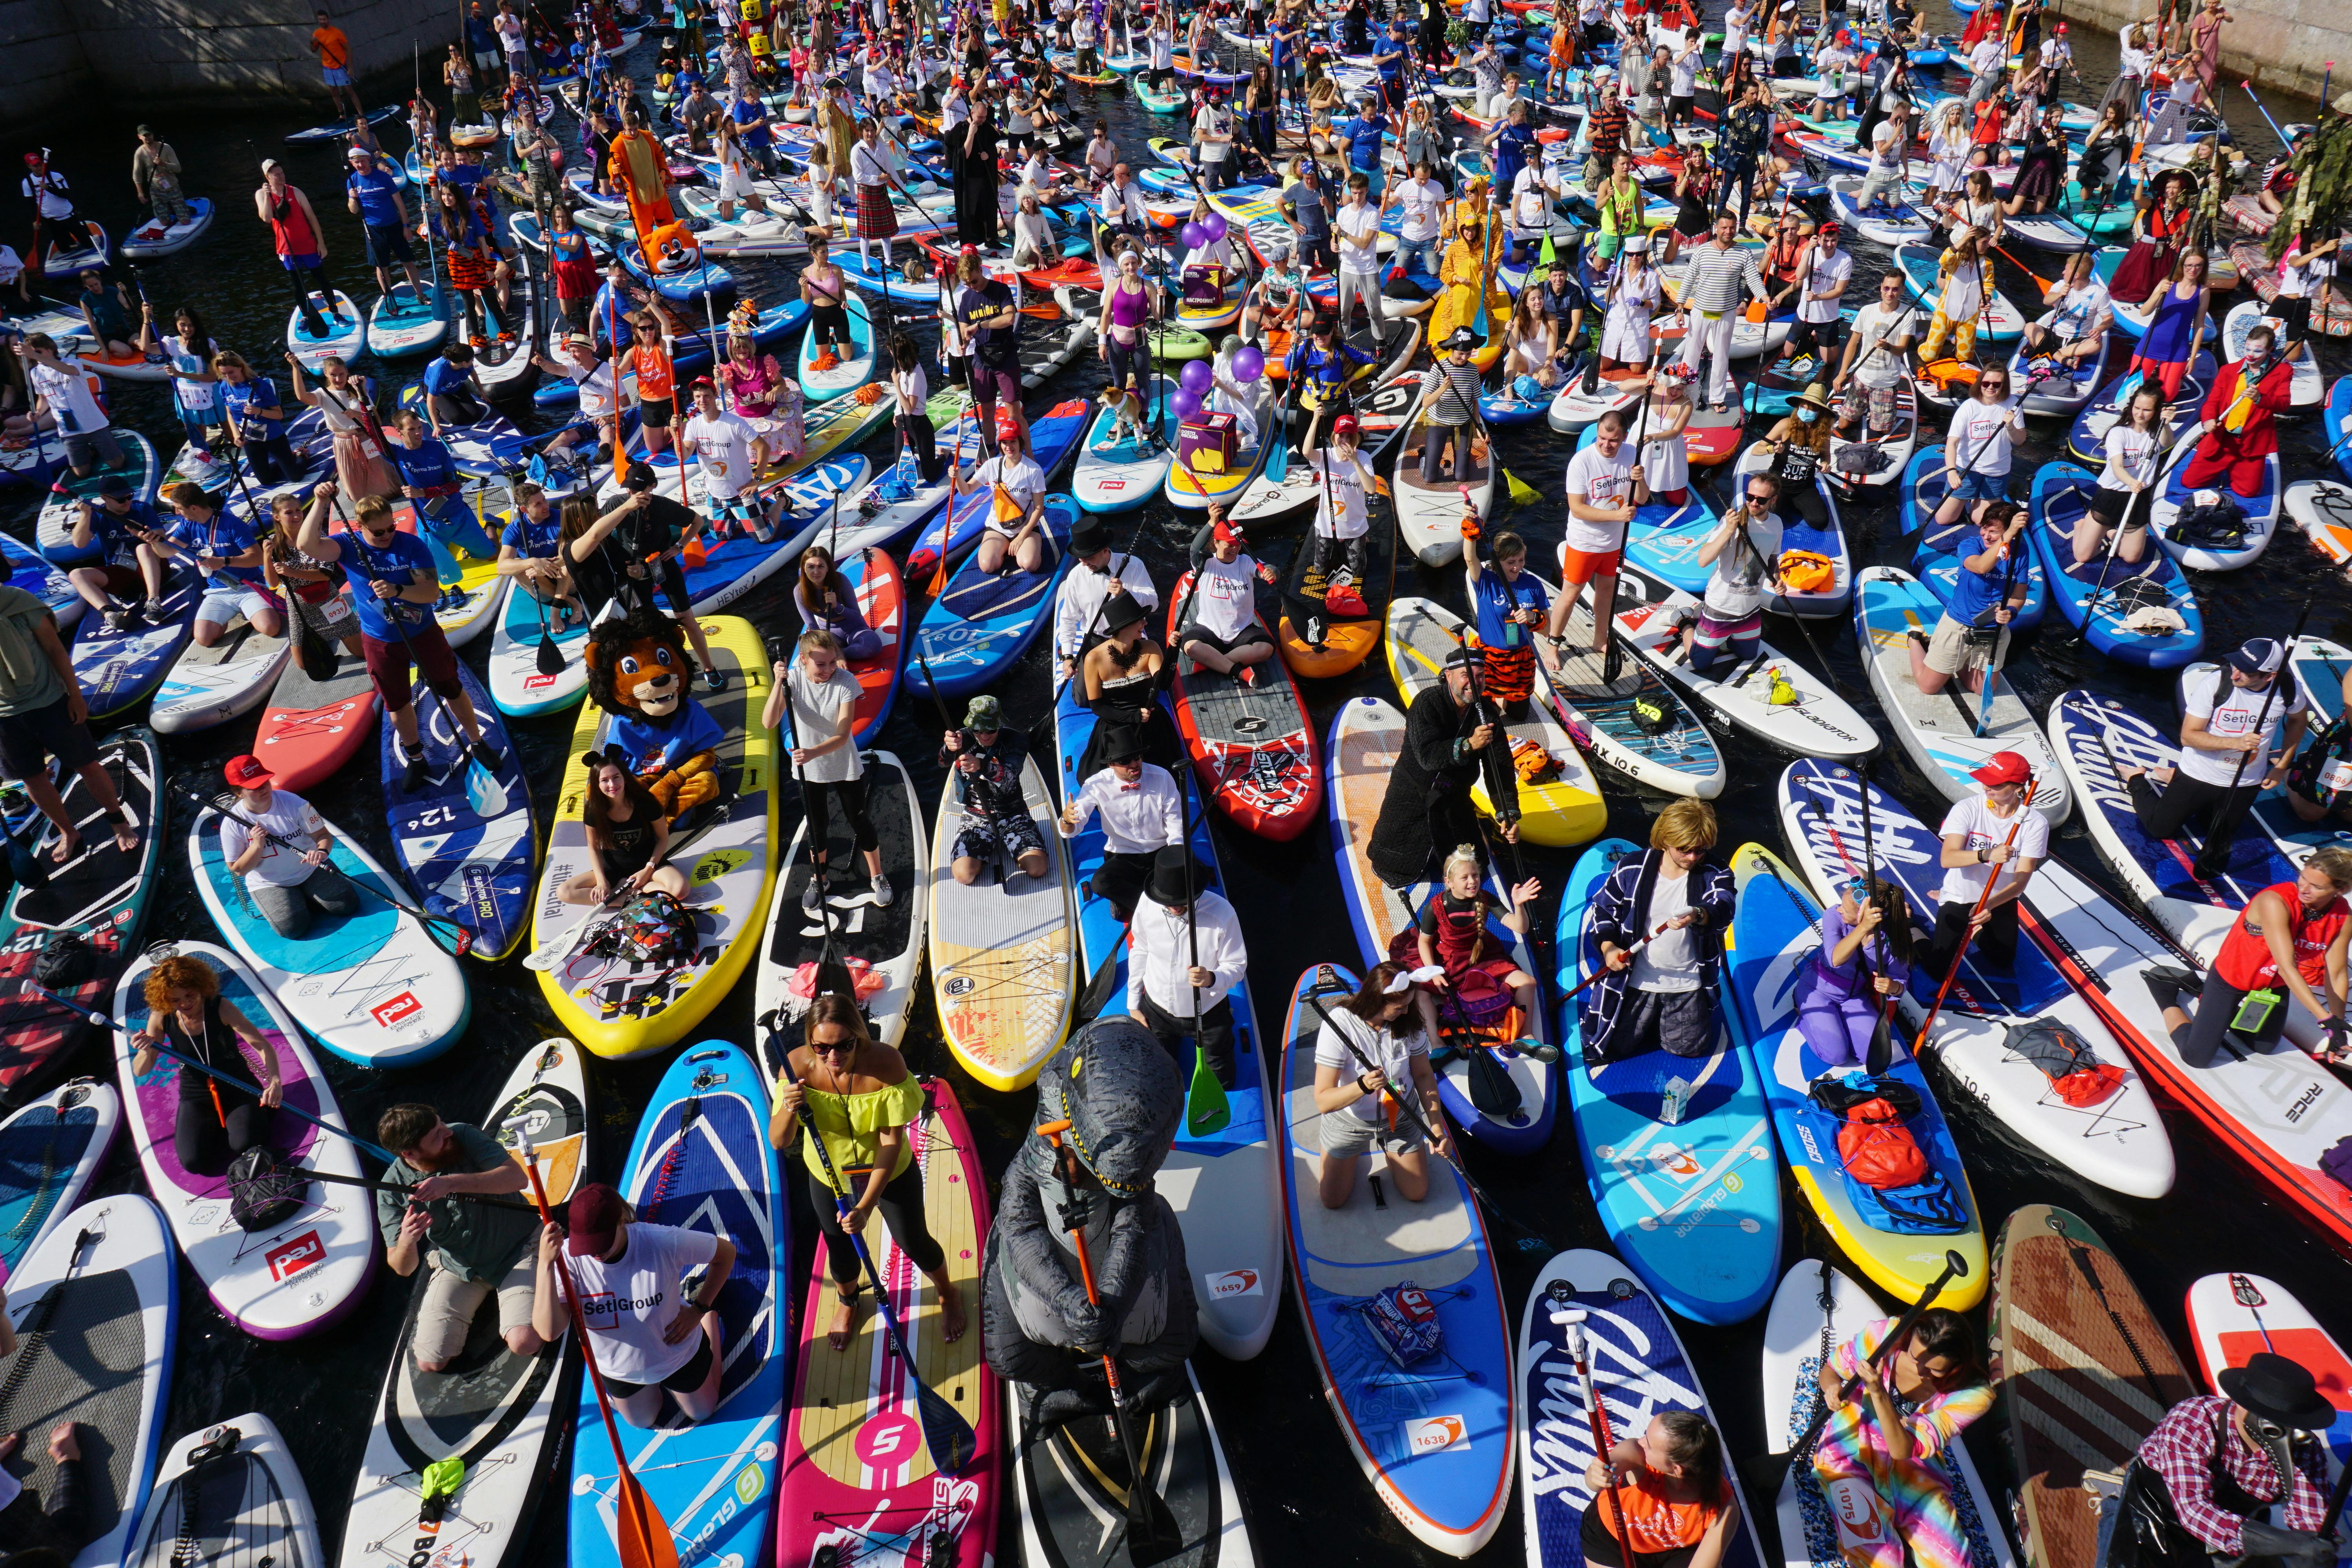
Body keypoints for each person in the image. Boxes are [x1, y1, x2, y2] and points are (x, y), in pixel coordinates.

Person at [769, 992, 965, 1351]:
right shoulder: (796, 1067)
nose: (833, 1057)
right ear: (810, 1041)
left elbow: (890, 1142)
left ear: (859, 1037)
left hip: (889, 1172)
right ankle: (848, 1302)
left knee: (913, 1241)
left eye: (844, 1045)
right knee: (839, 1248)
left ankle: (947, 1292)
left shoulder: (886, 1064)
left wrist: (866, 1206)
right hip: (828, 1176)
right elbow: (780, 1142)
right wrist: (788, 1107)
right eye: (822, 1047)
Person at [295, 487, 502, 790]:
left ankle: (476, 741)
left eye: (391, 527)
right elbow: (306, 544)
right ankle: (417, 758)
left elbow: (431, 593)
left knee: (450, 687)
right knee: (396, 703)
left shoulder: (412, 546)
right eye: (378, 532)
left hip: (421, 633)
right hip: (380, 641)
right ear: (361, 528)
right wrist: (322, 502)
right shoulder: (347, 546)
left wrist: (398, 591)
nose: (387, 535)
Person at [531, 1181, 737, 1427]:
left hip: (677, 1353)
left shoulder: (661, 1241)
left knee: (703, 1412)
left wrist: (699, 1309)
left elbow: (726, 1253)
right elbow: (549, 1332)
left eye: (602, 1242)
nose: (596, 1253)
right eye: (587, 1245)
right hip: (620, 1370)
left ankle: (708, 1318)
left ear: (621, 1221)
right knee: (643, 1422)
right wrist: (545, 1265)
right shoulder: (566, 1259)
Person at [1809, 1308, 1993, 1568]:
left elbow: (1902, 1450)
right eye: (1914, 1356)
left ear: (1957, 1368)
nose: (1919, 1371)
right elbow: (1831, 1370)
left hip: (1913, 1475)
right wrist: (1833, 1389)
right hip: (1848, 1460)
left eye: (1933, 1371)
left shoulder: (1974, 1395)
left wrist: (1878, 1392)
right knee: (1878, 1562)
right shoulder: (1884, 1335)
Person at [2143, 848, 2352, 1073]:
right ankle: (2165, 992)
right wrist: (2325, 1019)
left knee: (2264, 1047)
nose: (2304, 889)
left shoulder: (2344, 916)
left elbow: (2337, 973)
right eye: (2302, 878)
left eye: (2317, 887)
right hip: (2232, 980)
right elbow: (2286, 965)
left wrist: (2337, 1024)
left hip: (2274, 987)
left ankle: (2204, 995)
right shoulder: (2274, 902)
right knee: (2197, 1058)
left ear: (2341, 890)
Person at [375, 1103, 546, 1373]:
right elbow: (402, 1267)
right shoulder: (390, 1190)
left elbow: (516, 1179)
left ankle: (555, 1288)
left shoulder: (464, 1135)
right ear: (409, 1154)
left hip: (517, 1249)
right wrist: (408, 1240)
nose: (447, 1133)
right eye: (436, 1137)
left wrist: (452, 1183)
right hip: (460, 1267)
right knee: (430, 1362)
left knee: (524, 1343)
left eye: (441, 1125)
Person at [0, 575, 138, 860]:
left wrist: (75, 696)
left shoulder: (19, 603)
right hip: (5, 717)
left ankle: (118, 820)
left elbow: (55, 650)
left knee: (86, 764)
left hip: (49, 701)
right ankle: (68, 831)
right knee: (32, 779)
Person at [1584, 800, 1733, 1063]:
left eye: (1700, 851)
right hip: (1635, 980)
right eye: (1684, 850)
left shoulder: (1716, 871)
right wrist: (1608, 947)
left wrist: (1699, 914)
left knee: (1689, 1050)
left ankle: (1663, 1021)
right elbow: (1602, 911)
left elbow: (1723, 907)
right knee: (1612, 1048)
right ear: (1665, 839)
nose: (1693, 858)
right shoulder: (1632, 867)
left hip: (1687, 983)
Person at [1367, 646, 1521, 888]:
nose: (1474, 682)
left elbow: (1499, 768)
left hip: (1455, 798)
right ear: (1449, 676)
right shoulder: (1426, 703)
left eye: (1480, 675)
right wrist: (1469, 744)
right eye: (1466, 676)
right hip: (1412, 794)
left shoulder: (1488, 717)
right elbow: (1427, 756)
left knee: (1473, 860)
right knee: (1393, 862)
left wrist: (1507, 812)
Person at [766, 629, 893, 911]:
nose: (828, 670)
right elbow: (769, 722)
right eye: (821, 664)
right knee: (817, 826)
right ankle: (819, 878)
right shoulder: (793, 680)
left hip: (842, 763)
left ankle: (878, 876)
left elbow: (843, 732)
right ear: (803, 661)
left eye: (832, 662)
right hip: (808, 771)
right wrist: (778, 684)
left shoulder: (845, 681)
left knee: (858, 820)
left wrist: (811, 753)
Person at [1312, 960, 1453, 1206]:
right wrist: (1362, 1086)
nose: (1406, 1013)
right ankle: (1351, 1152)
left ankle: (1391, 1149)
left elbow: (1422, 1075)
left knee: (1416, 1193)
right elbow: (1323, 1101)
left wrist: (1436, 1126)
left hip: (1401, 1115)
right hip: (1350, 1123)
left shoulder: (1408, 1022)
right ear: (1377, 1001)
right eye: (1400, 1007)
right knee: (1332, 1201)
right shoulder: (1338, 1024)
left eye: (1409, 1005)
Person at [576, 465, 723, 681]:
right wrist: (627, 510)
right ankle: (653, 669)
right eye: (630, 489)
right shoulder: (616, 504)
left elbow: (697, 522)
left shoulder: (662, 506)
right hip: (634, 569)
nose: (633, 494)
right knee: (644, 624)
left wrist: (679, 547)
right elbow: (601, 534)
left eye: (639, 490)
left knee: (686, 617)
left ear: (652, 487)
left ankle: (709, 668)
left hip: (661, 563)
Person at [1918, 750, 2046, 987]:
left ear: (2018, 787)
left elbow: (2021, 880)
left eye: (1995, 784)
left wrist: (1988, 905)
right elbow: (1947, 859)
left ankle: (1974, 929)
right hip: (1961, 895)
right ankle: (1913, 928)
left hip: (1998, 898)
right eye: (1985, 779)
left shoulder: (2035, 824)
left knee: (2002, 960)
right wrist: (1987, 854)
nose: (1986, 787)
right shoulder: (1967, 809)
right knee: (1938, 970)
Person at [1125, 846, 1247, 1089]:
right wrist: (1133, 1003)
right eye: (1167, 901)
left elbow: (1237, 965)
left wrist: (1212, 977)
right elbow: (1141, 949)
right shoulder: (1146, 904)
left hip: (1208, 1014)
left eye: (1180, 901)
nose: (1173, 907)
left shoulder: (1223, 914)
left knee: (1224, 1083)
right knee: (1156, 1079)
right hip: (1157, 1010)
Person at [216, 752, 363, 940]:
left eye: (265, 782)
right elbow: (238, 870)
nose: (263, 789)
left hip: (311, 870)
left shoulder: (293, 802)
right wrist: (257, 846)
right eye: (254, 787)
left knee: (347, 905)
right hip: (271, 883)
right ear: (238, 792)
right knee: (292, 929)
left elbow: (323, 836)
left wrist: (321, 852)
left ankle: (308, 897)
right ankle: (300, 902)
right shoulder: (232, 824)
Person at [1058, 720, 1182, 922]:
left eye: (1137, 757)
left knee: (1191, 871)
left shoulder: (1162, 776)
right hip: (1123, 856)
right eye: (1125, 761)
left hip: (1162, 852)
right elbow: (1072, 826)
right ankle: (1155, 909)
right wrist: (1067, 820)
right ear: (1111, 764)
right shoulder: (1096, 784)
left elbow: (1174, 818)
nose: (1134, 764)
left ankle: (1135, 902)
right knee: (1101, 883)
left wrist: (1177, 856)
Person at [1580, 1412, 1740, 1568]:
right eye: (1646, 1435)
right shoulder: (1636, 1452)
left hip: (1676, 1551)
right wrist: (1597, 1475)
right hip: (1614, 1540)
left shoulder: (1723, 1509)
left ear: (1676, 1469)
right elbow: (1594, 1483)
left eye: (1649, 1445)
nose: (1641, 1442)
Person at [1551, 408, 1646, 658]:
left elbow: (1642, 498)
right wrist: (1617, 516)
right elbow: (1578, 508)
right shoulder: (1581, 462)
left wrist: (1641, 478)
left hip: (1614, 542)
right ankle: (1553, 645)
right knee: (1571, 594)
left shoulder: (1631, 454)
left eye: (1614, 440)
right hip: (1585, 542)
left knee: (1607, 591)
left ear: (1624, 437)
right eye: (1602, 438)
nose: (1607, 445)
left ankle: (1600, 639)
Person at [1909, 501, 2027, 698]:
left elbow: (2019, 595)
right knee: (1928, 687)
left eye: (1994, 532)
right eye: (1984, 529)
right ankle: (1915, 641)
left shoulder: (2021, 552)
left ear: (2011, 533)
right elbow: (1981, 567)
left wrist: (2011, 612)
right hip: (1959, 625)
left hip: (1991, 630)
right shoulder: (1969, 545)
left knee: (1982, 691)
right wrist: (2004, 539)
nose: (1986, 536)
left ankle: (1959, 662)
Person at [1793, 874, 1913, 1067]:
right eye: (1842, 904)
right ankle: (1804, 1015)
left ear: (1867, 914)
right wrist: (1863, 928)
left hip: (1855, 996)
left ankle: (1836, 1023)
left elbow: (1901, 981)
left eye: (1846, 910)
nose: (1839, 909)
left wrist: (1893, 988)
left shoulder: (1891, 939)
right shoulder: (1834, 916)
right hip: (1817, 990)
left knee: (1869, 1057)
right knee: (1835, 1056)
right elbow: (1835, 960)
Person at [156, 483, 287, 649]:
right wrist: (153, 542)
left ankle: (257, 611)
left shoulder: (231, 524)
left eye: (179, 508)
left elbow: (258, 558)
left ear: (194, 508)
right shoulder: (187, 525)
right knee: (204, 639)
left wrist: (224, 562)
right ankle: (223, 620)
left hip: (247, 588)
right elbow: (166, 552)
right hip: (218, 592)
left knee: (271, 628)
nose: (177, 513)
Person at [555, 749, 691, 906]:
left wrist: (649, 870)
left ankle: (627, 891)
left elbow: (662, 837)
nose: (612, 785)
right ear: (597, 784)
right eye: (605, 780)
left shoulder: (646, 802)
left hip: (646, 862)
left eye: (616, 777)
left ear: (625, 778)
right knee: (565, 892)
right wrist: (602, 882)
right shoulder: (593, 810)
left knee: (680, 890)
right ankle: (635, 897)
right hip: (613, 868)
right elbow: (593, 848)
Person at [940, 694, 1047, 885]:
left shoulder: (1017, 740)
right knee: (964, 876)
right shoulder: (962, 737)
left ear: (1000, 724)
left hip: (1013, 814)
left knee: (1037, 869)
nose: (985, 736)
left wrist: (982, 766)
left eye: (991, 729)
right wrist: (949, 749)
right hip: (976, 817)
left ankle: (1016, 848)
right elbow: (942, 762)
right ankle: (984, 852)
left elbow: (1010, 777)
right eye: (978, 731)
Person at [2182, 326, 2292, 498]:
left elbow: (2284, 404)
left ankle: (2238, 470)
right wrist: (2209, 420)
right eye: (2247, 348)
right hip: (2222, 440)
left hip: (2251, 442)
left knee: (2248, 492)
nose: (2250, 354)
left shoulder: (2282, 371)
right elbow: (2213, 402)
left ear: (2270, 350)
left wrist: (2259, 398)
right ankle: (2221, 468)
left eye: (2258, 350)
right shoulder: (2228, 371)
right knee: (2190, 482)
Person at [1675, 214, 1769, 408]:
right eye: (1724, 228)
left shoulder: (1744, 253)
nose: (1728, 232)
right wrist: (1679, 307)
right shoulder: (1702, 252)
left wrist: (1766, 298)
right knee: (1691, 354)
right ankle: (1684, 392)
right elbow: (1688, 280)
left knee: (1721, 356)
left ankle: (1717, 398)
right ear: (1716, 228)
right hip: (1701, 311)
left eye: (1732, 228)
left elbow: (1753, 280)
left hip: (1726, 313)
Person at [1053, 515, 1159, 681]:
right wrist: (1067, 656)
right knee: (1083, 698)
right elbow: (1068, 618)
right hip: (1096, 641)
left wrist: (1126, 595)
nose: (1084, 563)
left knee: (1143, 687)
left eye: (1090, 557)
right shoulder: (1076, 577)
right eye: (1081, 557)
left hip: (1131, 637)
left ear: (1105, 550)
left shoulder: (1135, 565)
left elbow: (1153, 604)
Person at [1175, 513, 1279, 680]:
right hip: (1210, 629)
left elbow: (1268, 568)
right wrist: (1211, 522)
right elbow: (1195, 548)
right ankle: (1238, 671)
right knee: (1189, 646)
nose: (1235, 549)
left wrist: (1272, 572)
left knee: (1266, 649)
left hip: (1241, 630)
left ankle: (1210, 663)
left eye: (1237, 545)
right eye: (1229, 545)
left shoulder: (1245, 561)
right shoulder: (1206, 563)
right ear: (1216, 543)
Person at [2074, 383, 2165, 566]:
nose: (2140, 414)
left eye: (2147, 410)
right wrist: (2131, 482)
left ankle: (2111, 532)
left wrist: (2166, 423)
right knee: (2083, 557)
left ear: (2156, 411)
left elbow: (2168, 441)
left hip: (2138, 498)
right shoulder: (2118, 433)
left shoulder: (2156, 434)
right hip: (2111, 495)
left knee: (2131, 557)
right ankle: (2081, 526)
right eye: (2137, 408)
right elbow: (2117, 467)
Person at [678, 377, 776, 543]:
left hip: (742, 492)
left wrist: (757, 480)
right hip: (716, 494)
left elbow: (763, 448)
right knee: (720, 538)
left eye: (707, 396)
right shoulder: (693, 425)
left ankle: (780, 500)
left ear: (715, 396)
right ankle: (748, 517)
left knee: (765, 538)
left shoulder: (735, 423)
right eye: (698, 397)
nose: (703, 401)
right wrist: (677, 434)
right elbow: (684, 456)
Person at [11, 335, 122, 479]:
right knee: (81, 473)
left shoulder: (72, 363)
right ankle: (90, 452)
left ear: (50, 349)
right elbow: (43, 397)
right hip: (67, 428)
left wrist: (32, 354)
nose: (36, 357)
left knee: (117, 465)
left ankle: (111, 451)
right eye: (33, 354)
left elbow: (68, 371)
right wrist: (38, 412)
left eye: (39, 352)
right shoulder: (35, 373)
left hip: (93, 423)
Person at [1465, 528, 1548, 717]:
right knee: (1484, 716)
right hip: (1490, 660)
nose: (1517, 567)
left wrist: (1532, 617)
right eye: (1511, 562)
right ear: (1496, 562)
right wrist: (1469, 530)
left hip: (1521, 661)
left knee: (1518, 716)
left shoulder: (1533, 584)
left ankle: (1502, 699)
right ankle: (1492, 699)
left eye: (1521, 560)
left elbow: (1547, 629)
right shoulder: (1486, 581)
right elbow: (1470, 559)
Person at [255, 160, 342, 341]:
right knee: (298, 285)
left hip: (308, 246)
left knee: (322, 280)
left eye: (282, 173)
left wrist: (321, 243)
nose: (281, 176)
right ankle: (305, 316)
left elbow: (311, 217)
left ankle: (335, 312)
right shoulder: (262, 195)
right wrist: (266, 196)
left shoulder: (296, 192)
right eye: (276, 174)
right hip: (287, 249)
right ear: (268, 177)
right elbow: (266, 218)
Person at [1931, 367, 2025, 527]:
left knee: (1981, 521)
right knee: (1943, 519)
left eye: (1997, 384)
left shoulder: (2013, 404)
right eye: (1986, 383)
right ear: (1980, 383)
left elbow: (2019, 441)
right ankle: (1970, 496)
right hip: (1967, 470)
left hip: (1996, 472)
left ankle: (1977, 498)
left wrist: (2010, 426)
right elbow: (1952, 443)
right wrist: (1952, 471)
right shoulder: (1969, 407)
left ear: (2004, 385)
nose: (1991, 388)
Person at [2127, 249, 2211, 403]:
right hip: (2150, 344)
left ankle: (2176, 380)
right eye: (2189, 265)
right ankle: (2156, 375)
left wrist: (2192, 358)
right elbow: (2144, 312)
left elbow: (2199, 325)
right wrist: (2159, 292)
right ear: (2182, 265)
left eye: (2198, 266)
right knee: (2135, 392)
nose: (2193, 270)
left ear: (2203, 267)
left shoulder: (2203, 292)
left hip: (2177, 349)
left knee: (2167, 396)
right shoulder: (2167, 284)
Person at [496, 480, 583, 622]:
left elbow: (569, 553)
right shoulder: (515, 530)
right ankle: (572, 602)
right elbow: (501, 567)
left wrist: (545, 568)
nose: (546, 506)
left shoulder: (560, 517)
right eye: (538, 504)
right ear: (525, 510)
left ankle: (556, 608)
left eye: (544, 500)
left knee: (567, 559)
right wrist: (533, 562)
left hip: (566, 578)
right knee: (517, 566)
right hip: (542, 586)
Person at [131, 125, 192, 232]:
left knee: (186, 221)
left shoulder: (166, 148)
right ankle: (170, 211)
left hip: (172, 187)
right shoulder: (140, 153)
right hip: (156, 190)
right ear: (139, 137)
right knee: (165, 223)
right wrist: (140, 193)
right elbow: (137, 174)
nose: (147, 138)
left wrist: (164, 164)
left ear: (153, 135)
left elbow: (178, 168)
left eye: (149, 135)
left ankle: (183, 209)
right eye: (145, 136)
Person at [311, 9, 363, 118]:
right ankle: (342, 115)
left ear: (328, 19)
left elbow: (348, 49)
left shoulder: (337, 33)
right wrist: (312, 42)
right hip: (327, 67)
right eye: (320, 20)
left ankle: (361, 115)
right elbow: (313, 50)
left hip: (340, 66)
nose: (322, 22)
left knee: (349, 90)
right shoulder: (317, 34)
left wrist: (351, 67)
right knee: (333, 91)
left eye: (324, 19)